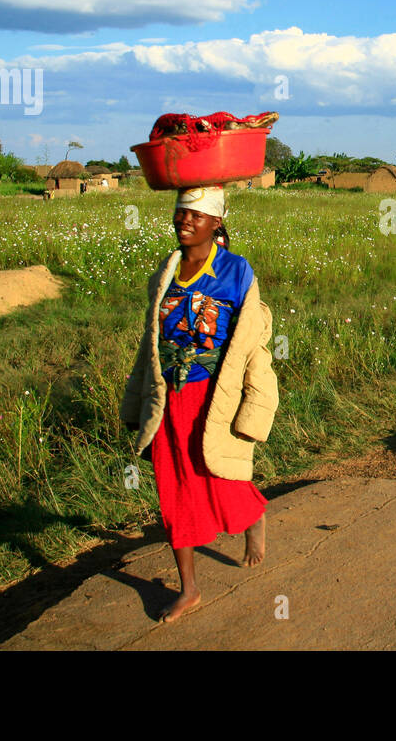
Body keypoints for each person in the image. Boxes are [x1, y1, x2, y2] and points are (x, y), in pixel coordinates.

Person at [120, 186, 278, 624]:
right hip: (168, 399)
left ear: (216, 223)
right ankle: (189, 589)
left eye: (196, 215)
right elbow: (148, 342)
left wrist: (254, 400)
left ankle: (253, 515)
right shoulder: (165, 272)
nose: (185, 220)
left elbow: (251, 342)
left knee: (216, 472)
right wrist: (136, 401)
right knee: (172, 490)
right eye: (181, 212)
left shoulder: (235, 271)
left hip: (212, 397)